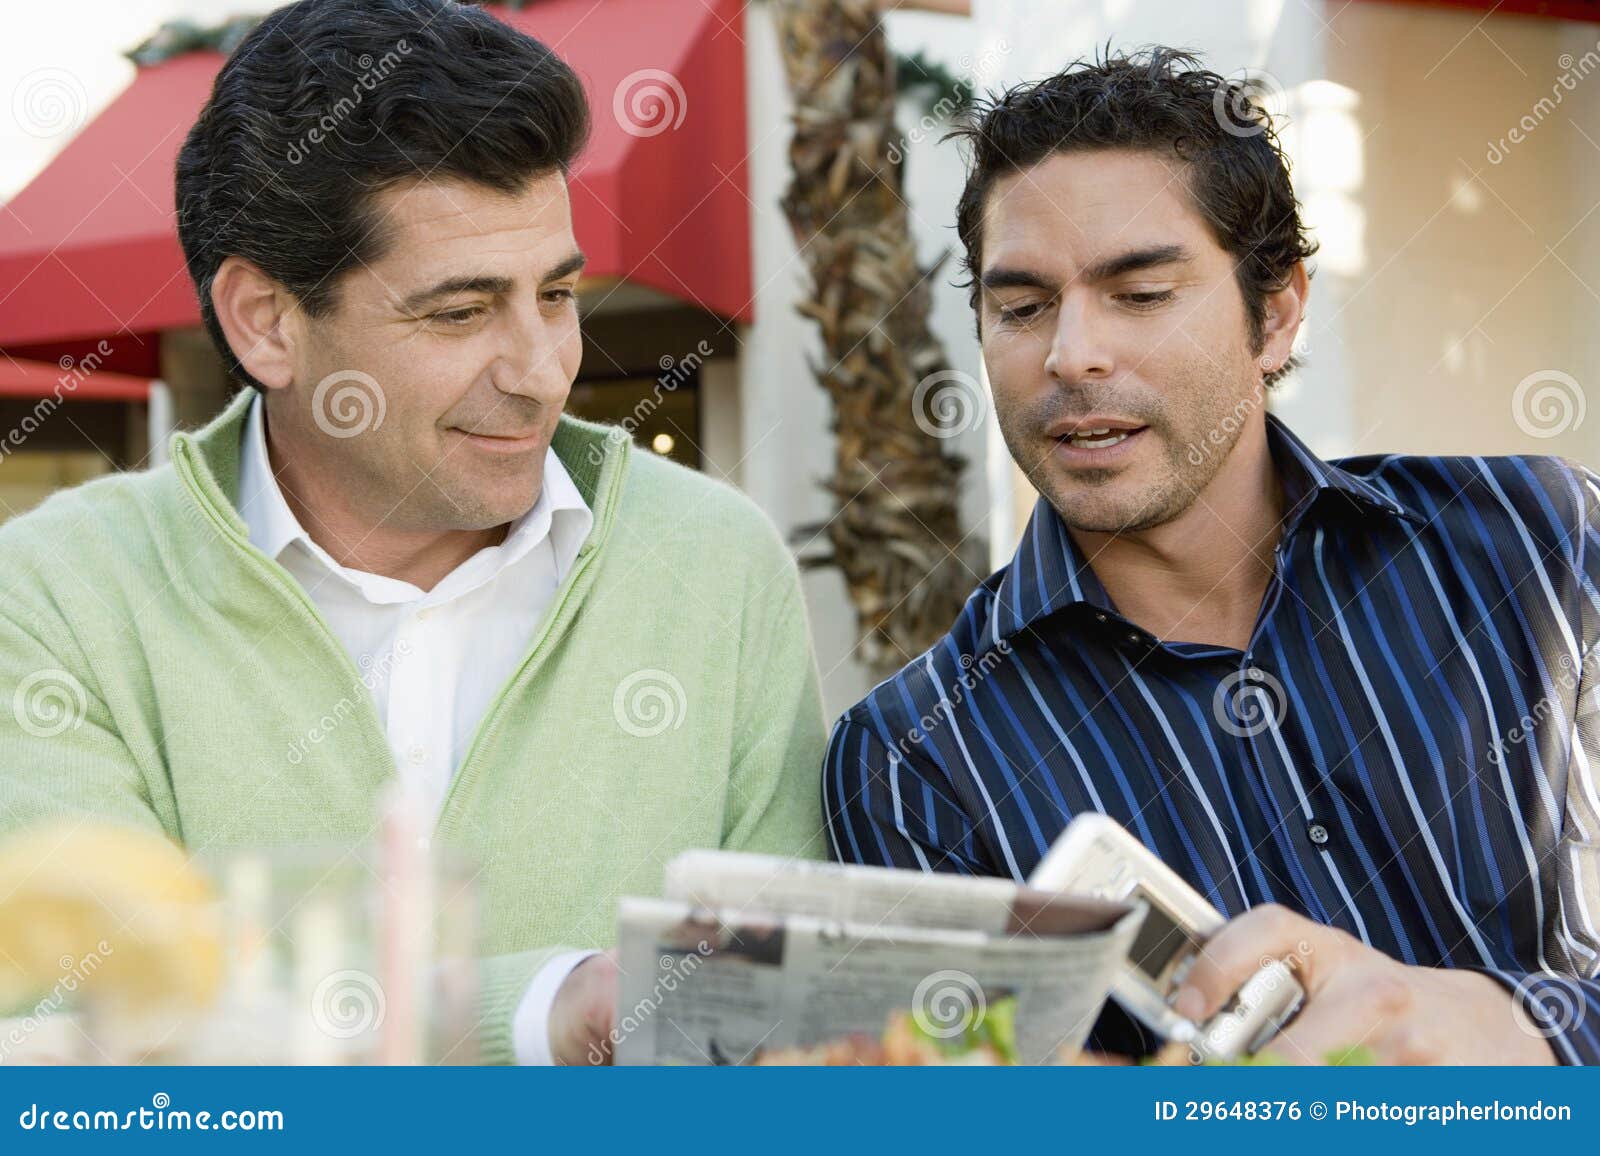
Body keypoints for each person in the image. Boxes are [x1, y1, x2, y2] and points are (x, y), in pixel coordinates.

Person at [0, 0, 826, 1065]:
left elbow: (798, 1035)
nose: (540, 371)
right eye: (459, 312)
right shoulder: (57, 595)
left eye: (558, 292)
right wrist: (537, 1010)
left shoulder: (717, 562)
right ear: (265, 321)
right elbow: (60, 1043)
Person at [824, 47, 1600, 1065]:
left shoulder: (1534, 542)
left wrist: (1521, 1029)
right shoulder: (916, 763)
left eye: (1139, 294)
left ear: (1272, 314)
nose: (1070, 354)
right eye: (1020, 307)